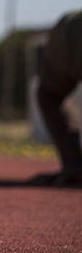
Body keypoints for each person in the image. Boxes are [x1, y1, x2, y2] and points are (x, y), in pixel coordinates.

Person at [30, 10, 82, 186]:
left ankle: (75, 165)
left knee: (49, 94)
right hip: (71, 30)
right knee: (50, 94)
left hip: (70, 27)